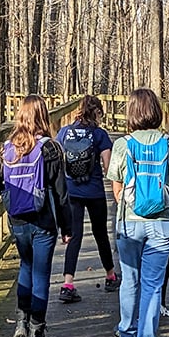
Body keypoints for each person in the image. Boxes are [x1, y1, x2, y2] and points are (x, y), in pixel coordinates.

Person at [0, 95, 72, 337]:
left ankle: (21, 326)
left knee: (26, 266)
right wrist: (67, 227)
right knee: (41, 274)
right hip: (43, 219)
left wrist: (14, 192)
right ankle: (38, 334)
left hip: (17, 220)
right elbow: (62, 194)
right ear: (43, 116)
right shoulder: (51, 149)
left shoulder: (9, 148)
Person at [107, 88, 169, 337]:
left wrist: (131, 205)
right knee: (152, 285)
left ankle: (127, 331)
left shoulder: (122, 144)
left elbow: (116, 188)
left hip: (129, 223)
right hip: (162, 224)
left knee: (130, 278)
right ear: (157, 112)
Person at [56, 95, 120, 303]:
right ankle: (110, 276)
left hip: (71, 191)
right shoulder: (100, 135)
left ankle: (67, 284)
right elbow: (109, 168)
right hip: (94, 191)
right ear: (97, 112)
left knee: (74, 235)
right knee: (100, 233)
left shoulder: (64, 132)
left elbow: (56, 160)